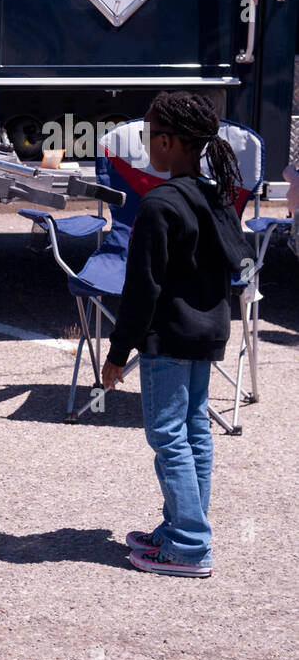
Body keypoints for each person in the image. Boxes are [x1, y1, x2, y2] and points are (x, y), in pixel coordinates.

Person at [100, 91, 251, 578]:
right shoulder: (217, 196)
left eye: (148, 136)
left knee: (168, 436)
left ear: (167, 141)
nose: (146, 144)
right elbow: (237, 261)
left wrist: (117, 351)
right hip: (207, 335)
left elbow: (142, 287)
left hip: (167, 339)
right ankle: (180, 528)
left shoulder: (159, 204)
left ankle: (188, 545)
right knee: (193, 434)